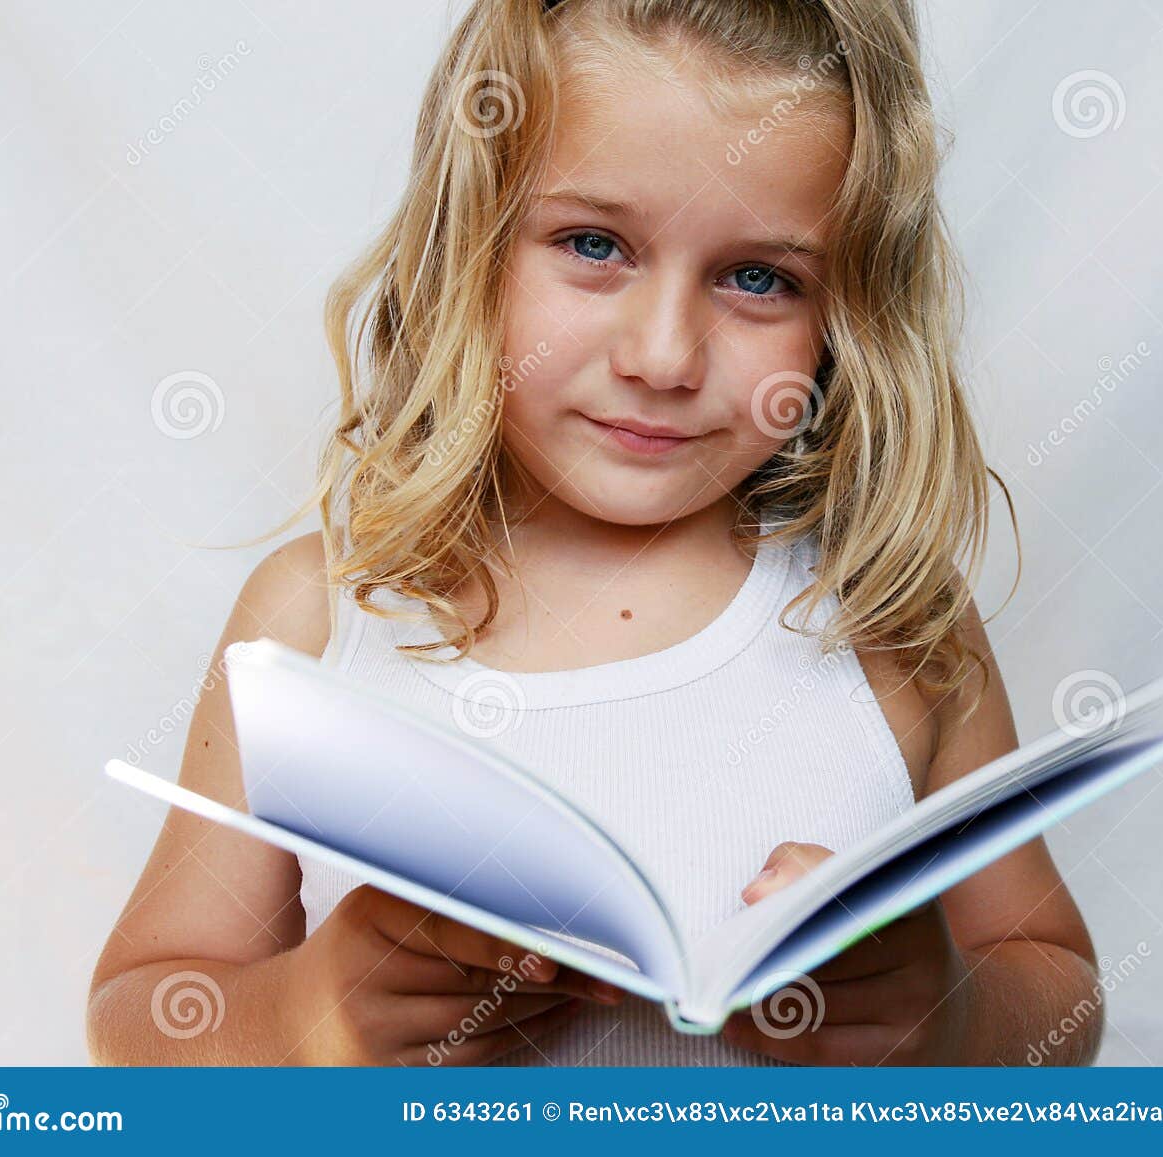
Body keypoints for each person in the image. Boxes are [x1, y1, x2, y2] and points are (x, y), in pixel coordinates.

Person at [88, 0, 1102, 1067]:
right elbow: (141, 1005)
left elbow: (1056, 982)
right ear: (469, 247)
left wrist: (946, 1013)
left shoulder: (890, 620)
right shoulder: (328, 612)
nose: (664, 357)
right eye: (593, 245)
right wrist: (308, 1009)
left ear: (846, 312)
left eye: (758, 277)